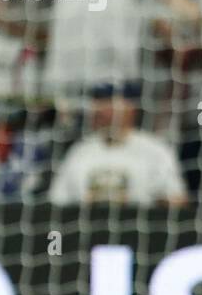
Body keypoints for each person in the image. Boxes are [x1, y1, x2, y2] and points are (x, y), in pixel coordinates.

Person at [50, 81, 189, 206]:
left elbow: (178, 200)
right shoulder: (80, 150)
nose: (100, 109)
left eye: (109, 101)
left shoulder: (155, 149)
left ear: (131, 107)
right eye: (99, 102)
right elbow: (57, 200)